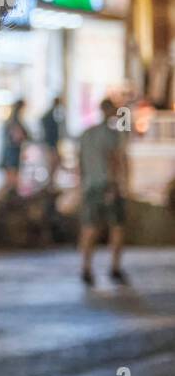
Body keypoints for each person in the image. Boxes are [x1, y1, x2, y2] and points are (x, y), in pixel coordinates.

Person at [78, 98, 129, 287]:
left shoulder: (86, 134)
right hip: (108, 186)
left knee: (89, 227)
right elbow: (114, 160)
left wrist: (81, 185)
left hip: (90, 186)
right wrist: (120, 184)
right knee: (116, 226)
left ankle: (86, 267)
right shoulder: (111, 134)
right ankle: (115, 267)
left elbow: (80, 163)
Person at [0, 99, 29, 195]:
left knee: (12, 182)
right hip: (12, 155)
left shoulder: (11, 120)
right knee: (11, 182)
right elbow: (17, 137)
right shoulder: (14, 121)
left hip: (11, 154)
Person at [40, 96, 63, 189]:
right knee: (53, 162)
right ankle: (50, 182)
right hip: (51, 143)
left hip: (52, 142)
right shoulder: (50, 114)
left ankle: (51, 182)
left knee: (55, 162)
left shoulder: (53, 113)